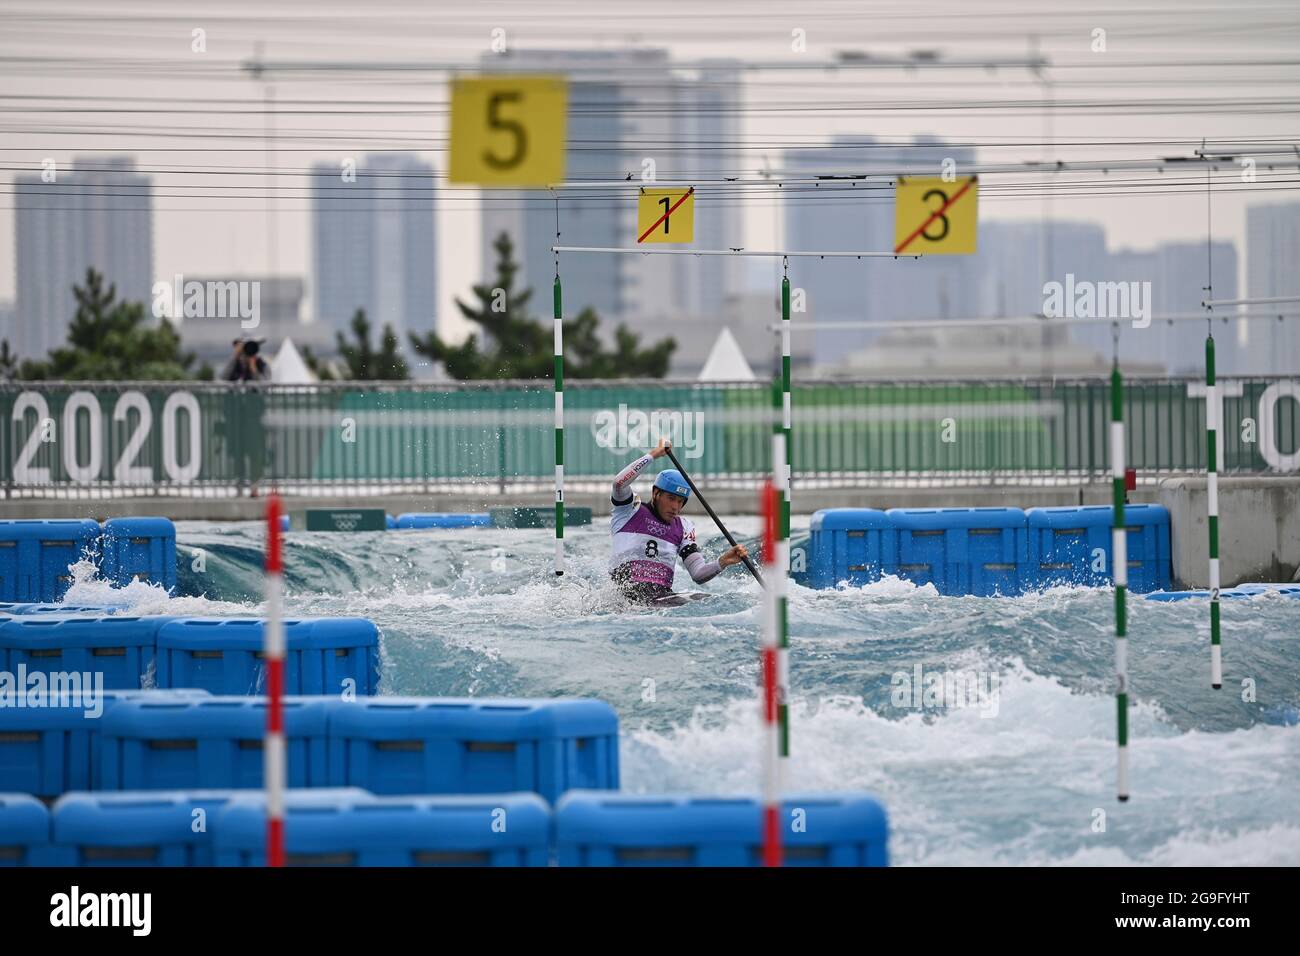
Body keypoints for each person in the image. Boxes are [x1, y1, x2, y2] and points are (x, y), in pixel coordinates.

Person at [609, 436, 749, 604]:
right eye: (671, 498)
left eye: (680, 501)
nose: (676, 506)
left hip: (661, 599)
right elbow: (618, 483)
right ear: (656, 493)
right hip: (625, 598)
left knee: (707, 599)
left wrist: (722, 562)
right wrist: (653, 455)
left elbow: (698, 574)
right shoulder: (629, 511)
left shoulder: (684, 527)